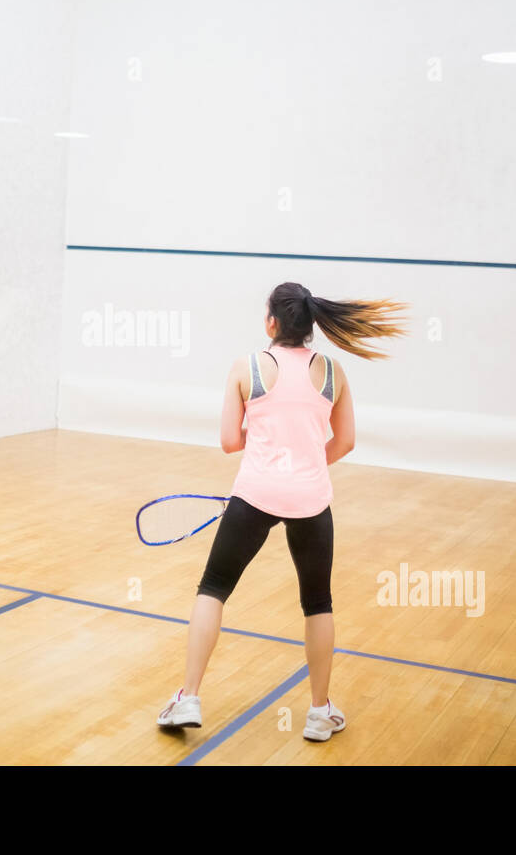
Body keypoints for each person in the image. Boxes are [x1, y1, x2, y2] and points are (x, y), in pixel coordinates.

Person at [157, 282, 407, 742]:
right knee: (318, 603)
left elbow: (231, 441)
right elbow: (345, 441)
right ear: (311, 325)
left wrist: (271, 451)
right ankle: (318, 713)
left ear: (271, 322)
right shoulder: (333, 372)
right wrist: (305, 460)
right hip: (311, 500)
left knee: (213, 589)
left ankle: (187, 698)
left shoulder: (245, 367)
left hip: (254, 495)